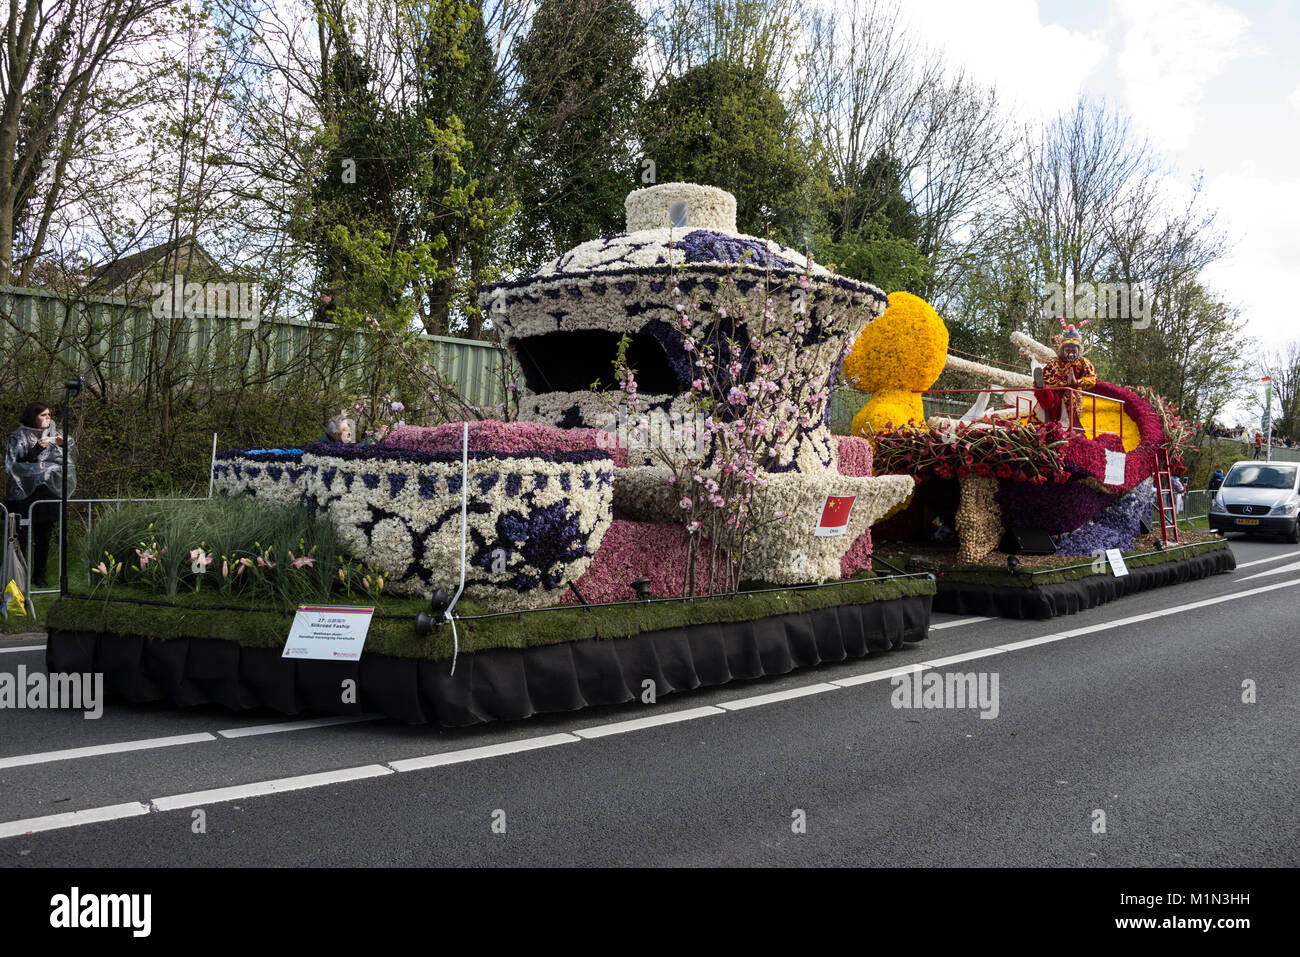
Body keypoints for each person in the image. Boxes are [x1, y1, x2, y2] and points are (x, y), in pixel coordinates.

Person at [5, 402, 76, 588]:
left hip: (47, 493)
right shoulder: (18, 436)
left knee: (44, 537)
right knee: (21, 539)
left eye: (49, 414)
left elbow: (65, 462)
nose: (48, 418)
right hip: (22, 496)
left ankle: (40, 577)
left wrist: (61, 446)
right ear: (32, 416)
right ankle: (18, 578)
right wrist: (37, 448)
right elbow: (14, 465)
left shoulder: (54, 435)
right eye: (43, 415)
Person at [1033, 320, 1097, 427]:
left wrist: (1077, 381)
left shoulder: (1083, 362)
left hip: (1075, 393)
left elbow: (1092, 379)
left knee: (1071, 396)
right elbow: (1049, 378)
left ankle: (1070, 425)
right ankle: (1041, 387)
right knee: (1047, 392)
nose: (1071, 352)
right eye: (1068, 349)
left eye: (1073, 349)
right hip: (1057, 393)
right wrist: (1062, 384)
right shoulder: (1055, 363)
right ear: (1063, 350)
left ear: (1078, 350)